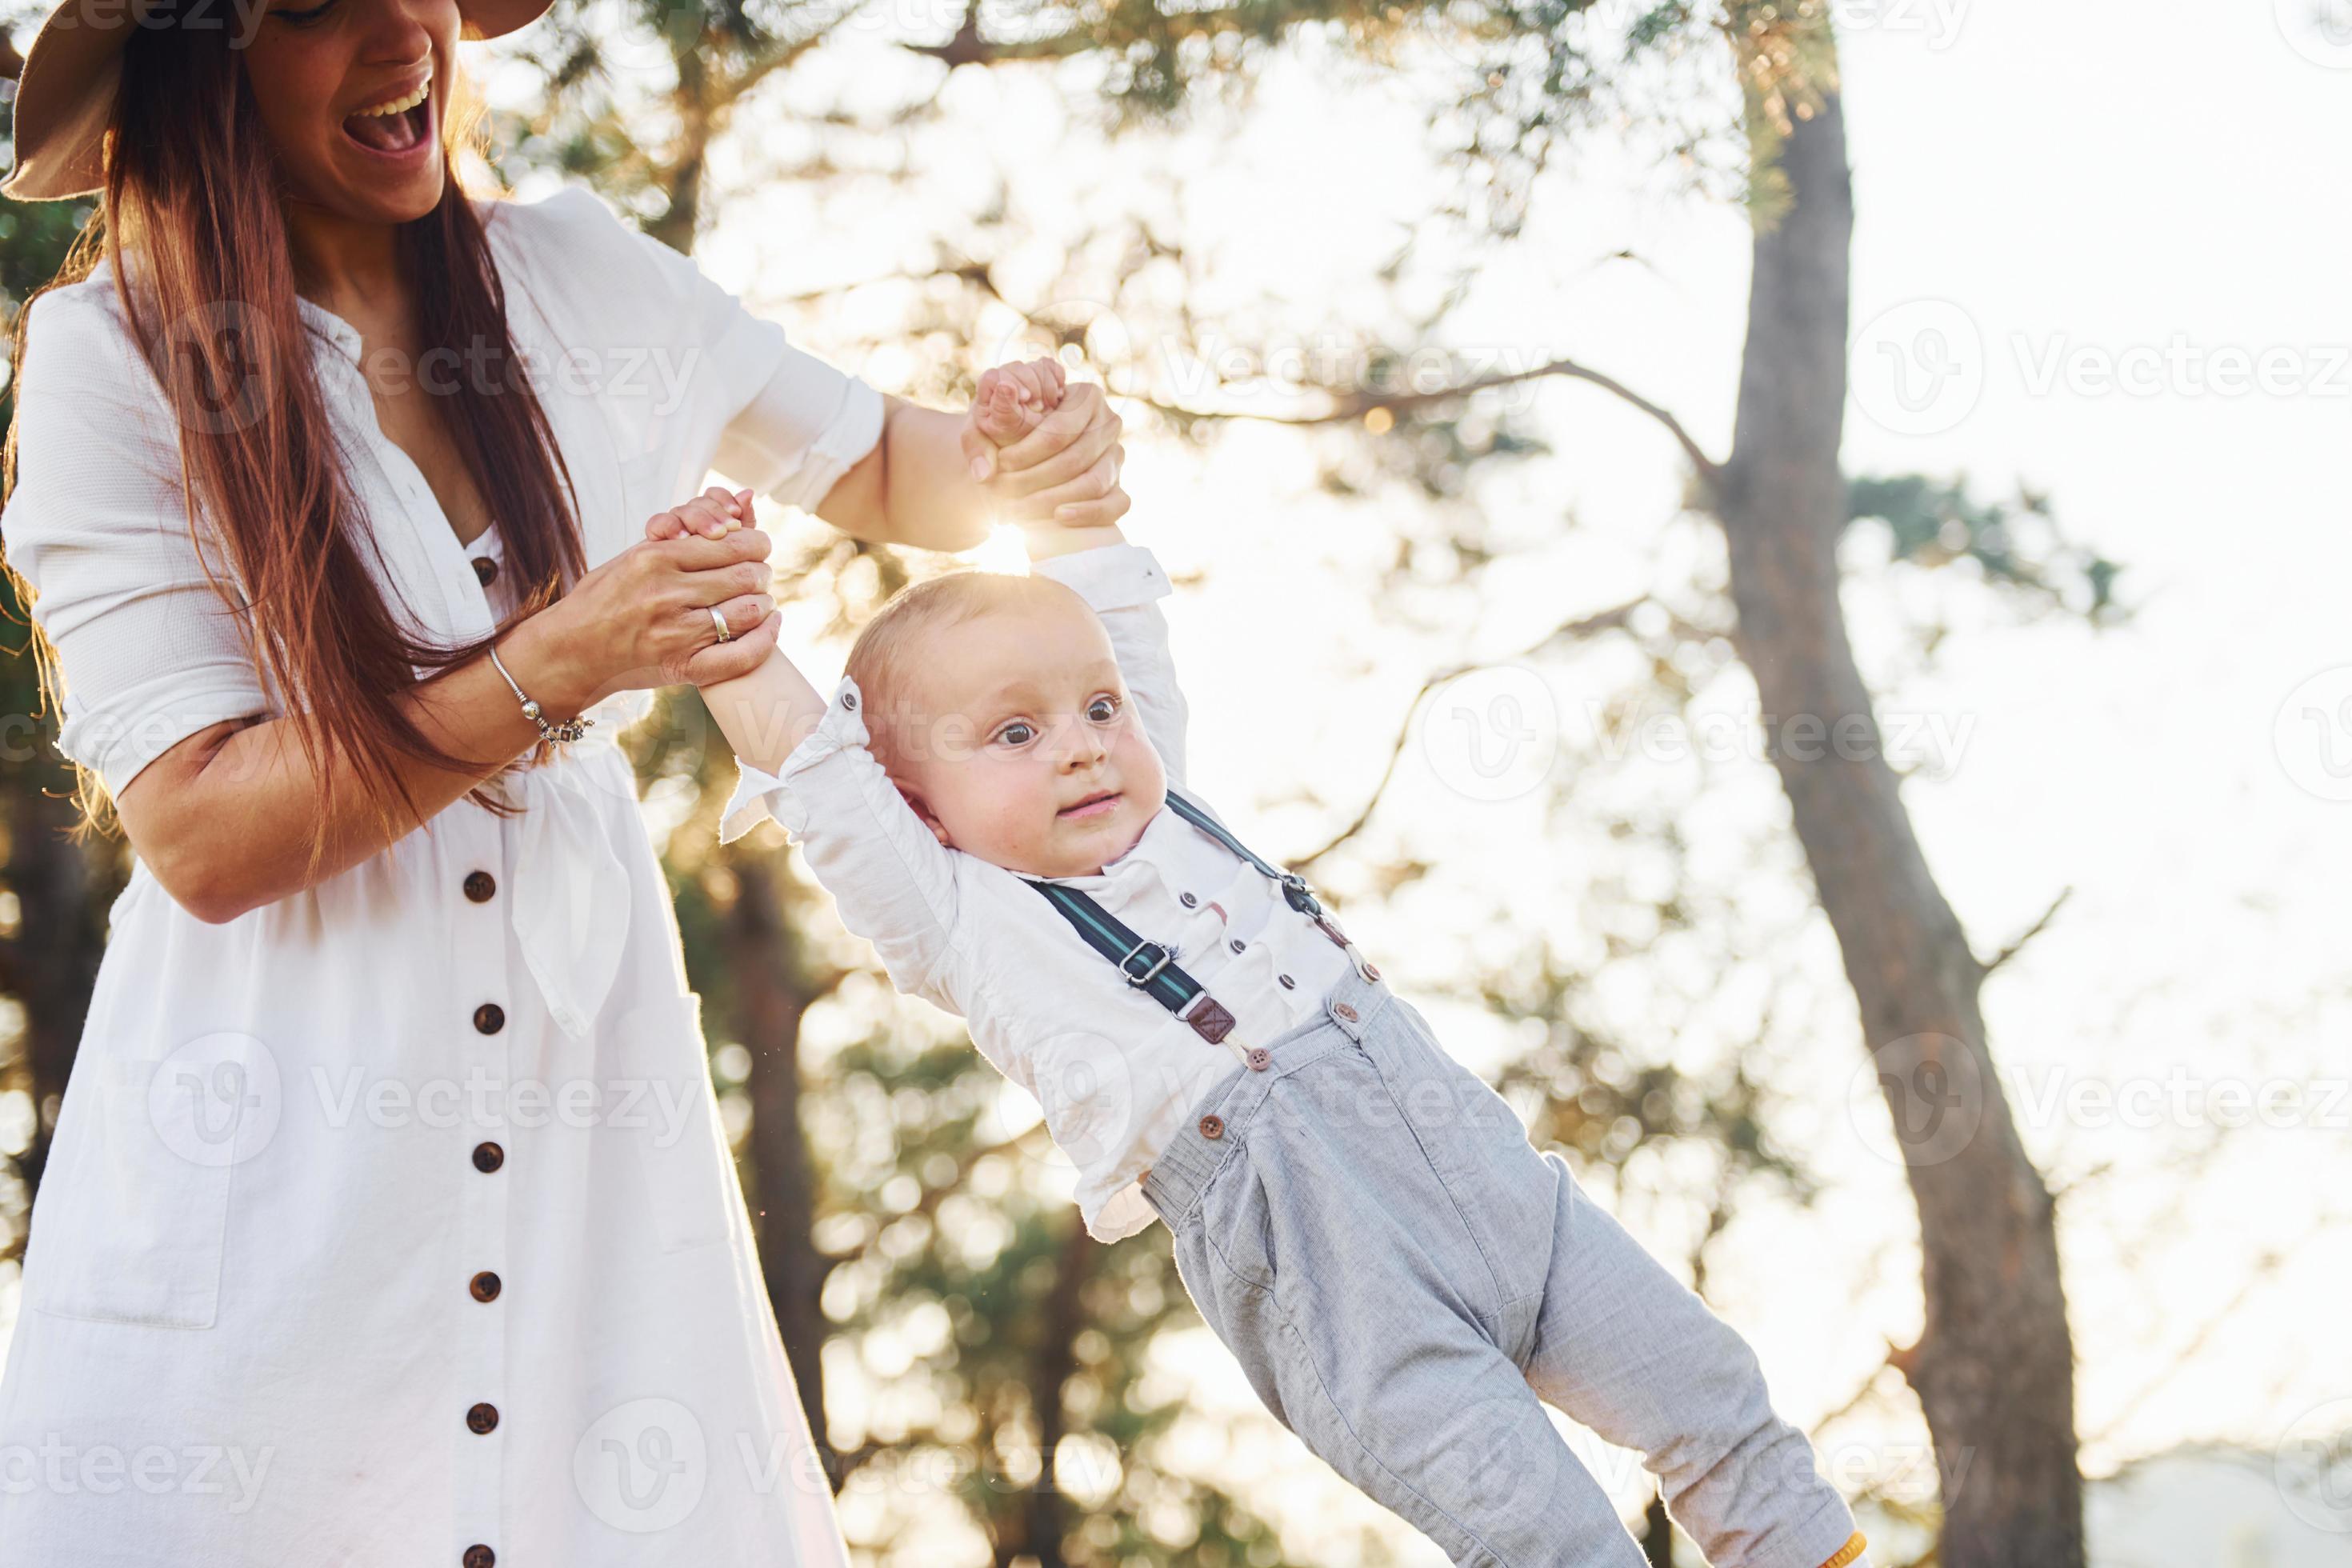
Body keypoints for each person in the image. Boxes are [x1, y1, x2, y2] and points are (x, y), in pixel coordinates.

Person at [0, 0, 1121, 1555]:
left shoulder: (577, 271)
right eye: (322, 8)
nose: (404, 38)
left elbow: (877, 462)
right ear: (208, 58)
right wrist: (553, 663)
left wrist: (1029, 445)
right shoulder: (112, 354)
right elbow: (198, 824)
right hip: (271, 1154)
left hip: (594, 1134)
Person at [646, 370, 1874, 1568]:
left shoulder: (1165, 799)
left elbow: (1109, 598)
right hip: (1321, 1261)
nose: (1081, 749)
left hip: (1492, 1182)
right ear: (915, 807)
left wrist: (1045, 464)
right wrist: (733, 636)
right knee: (1545, 1536)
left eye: (1095, 712)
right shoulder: (957, 914)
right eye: (1016, 734)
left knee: (1711, 1393)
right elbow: (819, 781)